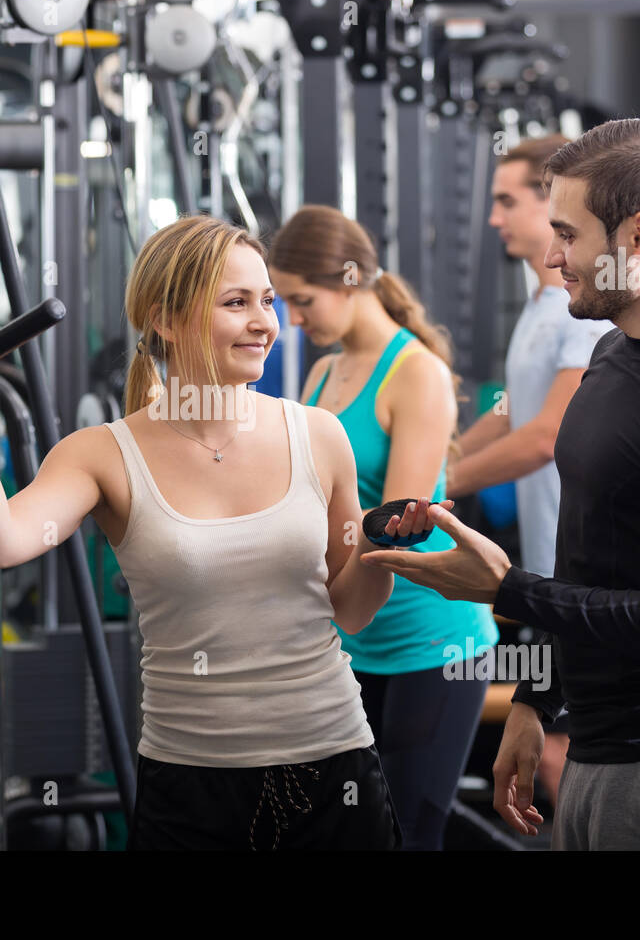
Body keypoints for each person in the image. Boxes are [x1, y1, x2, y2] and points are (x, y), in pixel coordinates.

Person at [0, 213, 423, 850]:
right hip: (190, 783)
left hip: (334, 766)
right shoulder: (104, 454)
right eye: (236, 303)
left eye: (268, 302)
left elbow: (350, 612)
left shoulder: (318, 435)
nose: (264, 323)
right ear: (166, 320)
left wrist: (379, 550)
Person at [360, 118, 640, 851]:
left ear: (639, 236)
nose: (552, 255)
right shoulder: (611, 358)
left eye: (568, 232)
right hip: (599, 750)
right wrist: (535, 698)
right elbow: (589, 560)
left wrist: (507, 590)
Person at [268, 204, 499, 850]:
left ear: (347, 280)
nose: (291, 318)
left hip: (432, 640)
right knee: (352, 828)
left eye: (300, 298)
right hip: (353, 636)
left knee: (409, 832)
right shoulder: (319, 372)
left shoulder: (416, 371)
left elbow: (403, 524)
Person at [447, 135, 612, 809]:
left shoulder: (581, 317)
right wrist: (441, 455)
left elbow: (547, 435)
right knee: (543, 751)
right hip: (544, 567)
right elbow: (513, 406)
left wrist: (438, 487)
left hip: (576, 574)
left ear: (554, 203)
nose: (494, 218)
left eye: (506, 200)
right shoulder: (543, 308)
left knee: (558, 755)